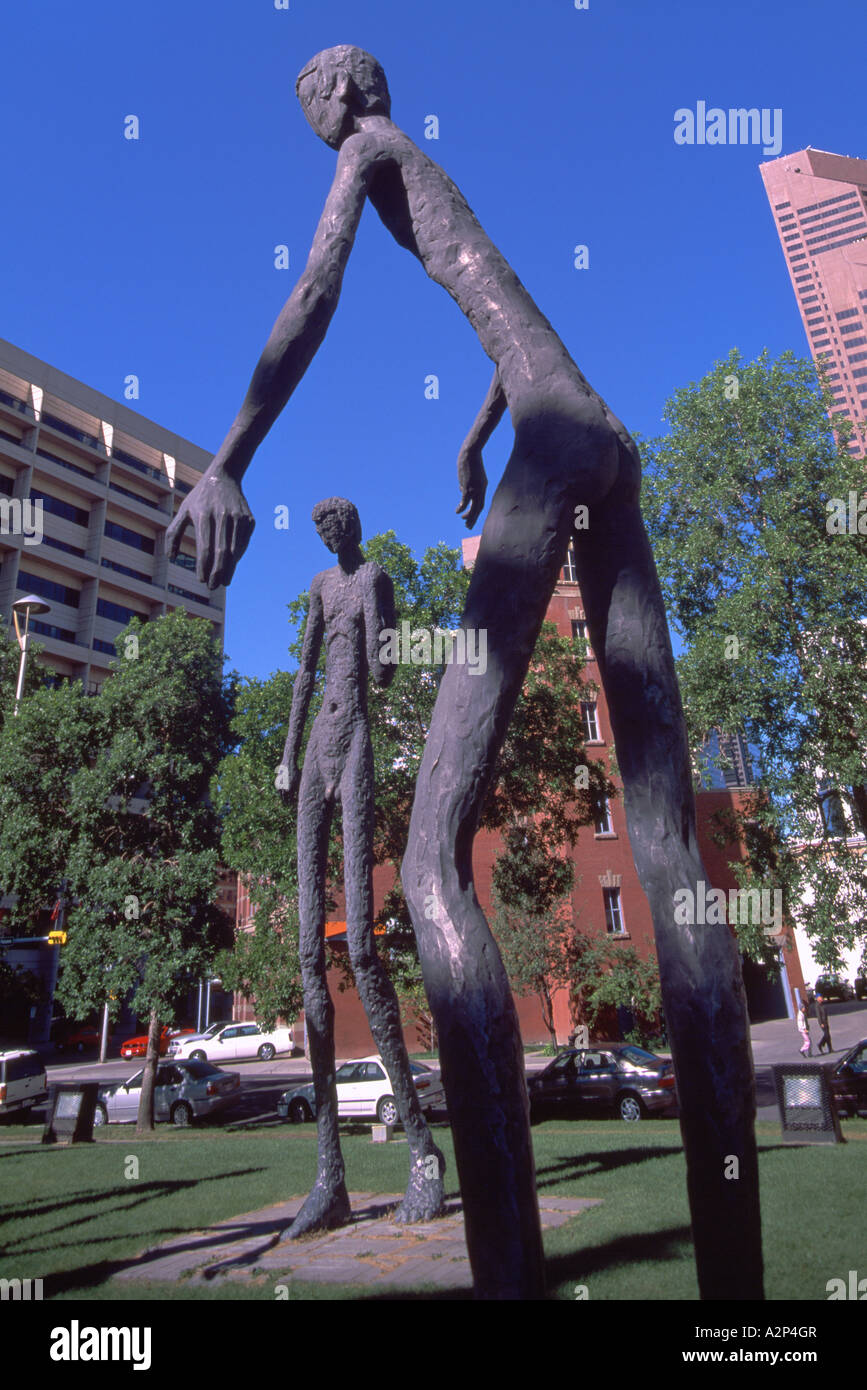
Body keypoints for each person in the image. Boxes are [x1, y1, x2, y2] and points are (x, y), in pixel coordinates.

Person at [166, 46, 761, 1299]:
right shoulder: (439, 179)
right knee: (668, 849)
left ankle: (506, 1274)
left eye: (312, 104)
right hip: (597, 432)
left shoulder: (372, 152)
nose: (313, 124)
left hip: (556, 437)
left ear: (342, 96)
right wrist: (475, 434)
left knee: (431, 856)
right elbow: (508, 313)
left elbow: (312, 300)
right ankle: (739, 1303)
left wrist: (231, 458)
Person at [276, 498, 444, 1235]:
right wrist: (285, 756)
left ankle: (421, 1152)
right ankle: (328, 1176)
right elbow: (303, 673)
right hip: (315, 746)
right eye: (320, 530)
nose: (329, 536)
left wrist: (390, 633)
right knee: (309, 951)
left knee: (364, 945)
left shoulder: (373, 577)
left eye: (335, 526)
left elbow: (381, 672)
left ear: (355, 529)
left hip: (357, 745)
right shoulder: (319, 586)